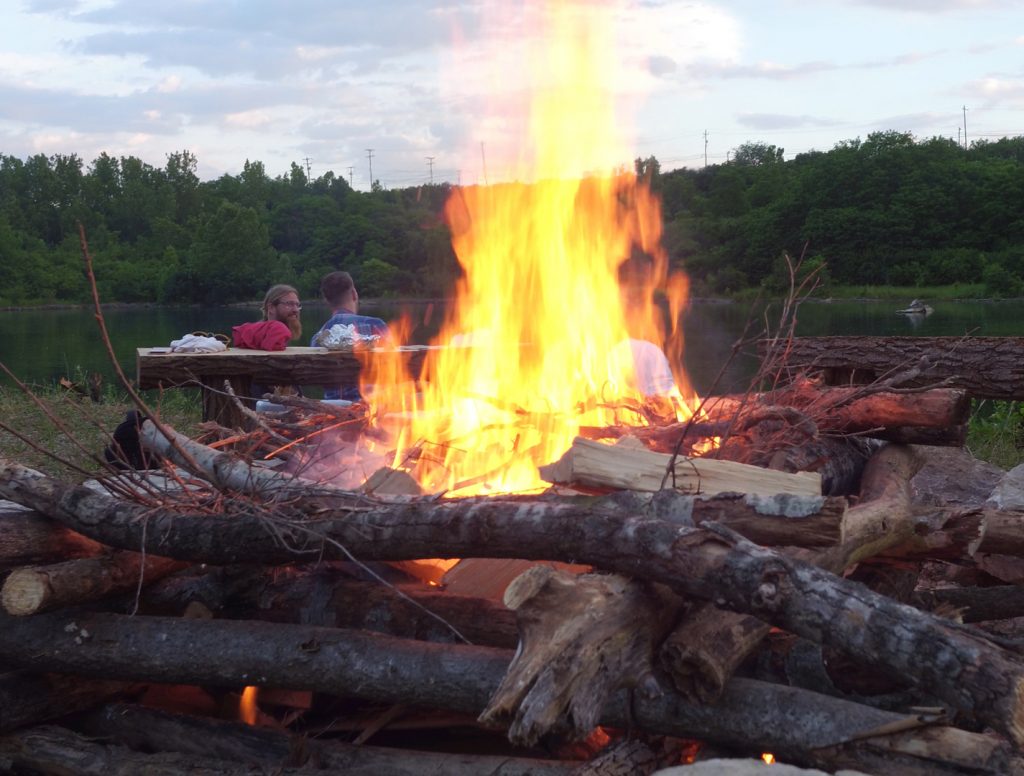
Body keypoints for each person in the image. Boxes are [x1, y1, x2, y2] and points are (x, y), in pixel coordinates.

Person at [311, 271, 392, 401]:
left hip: (332, 410)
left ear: (326, 301)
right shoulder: (375, 325)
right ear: (354, 293)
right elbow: (397, 368)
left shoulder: (317, 338)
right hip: (374, 407)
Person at [247, 284, 304, 401]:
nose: (295, 310)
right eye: (289, 304)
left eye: (297, 305)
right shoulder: (262, 337)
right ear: (271, 308)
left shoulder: (274, 337)